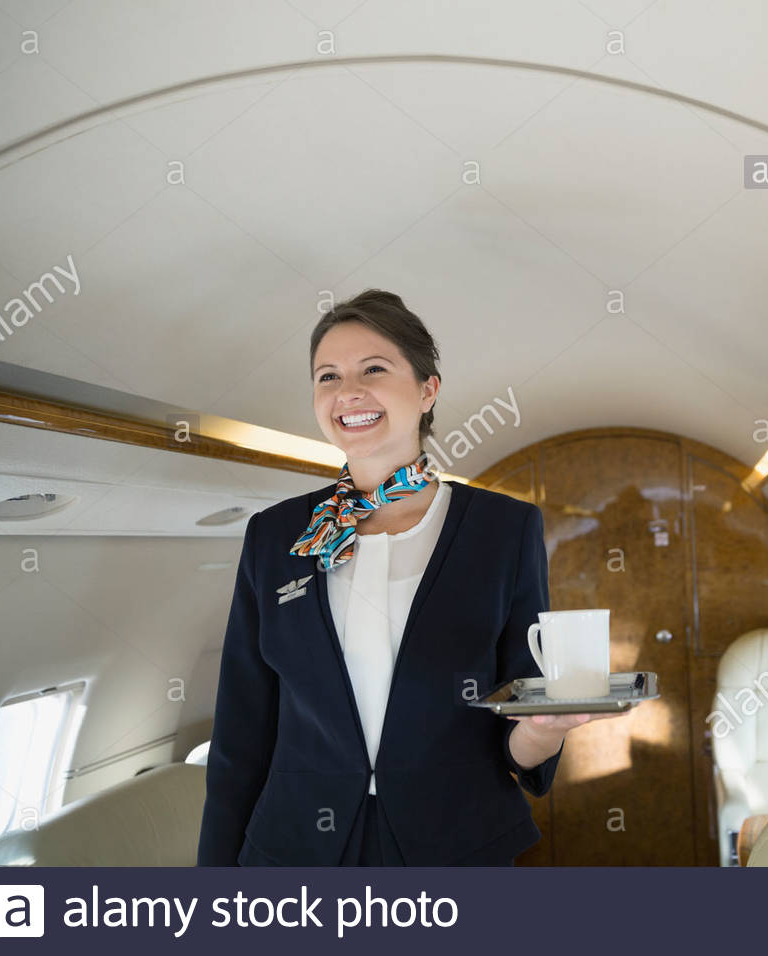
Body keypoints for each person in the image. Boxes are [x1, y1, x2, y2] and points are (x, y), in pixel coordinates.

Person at [196, 289, 623, 866]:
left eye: (373, 368)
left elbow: (517, 718)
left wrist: (547, 730)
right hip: (295, 848)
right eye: (328, 377)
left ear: (427, 390)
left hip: (454, 844)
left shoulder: (503, 529)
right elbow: (240, 735)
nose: (348, 391)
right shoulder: (276, 537)